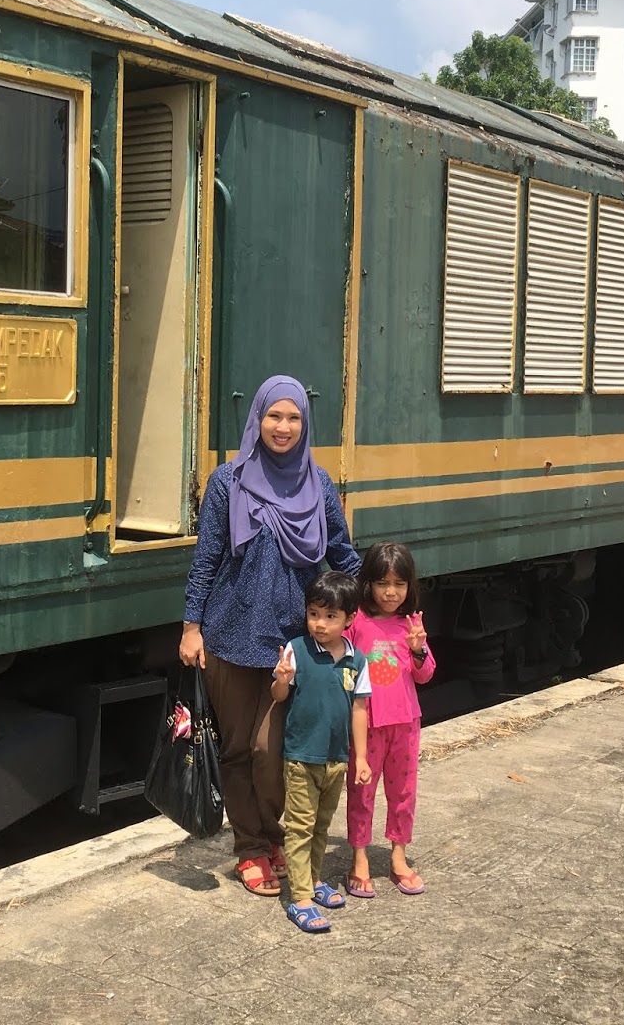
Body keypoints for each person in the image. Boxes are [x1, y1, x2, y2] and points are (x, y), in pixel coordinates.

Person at [181, 375, 361, 897]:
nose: (282, 427)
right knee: (240, 751)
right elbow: (206, 559)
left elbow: (341, 555)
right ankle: (253, 848)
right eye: (273, 416)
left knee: (274, 751)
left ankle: (269, 833)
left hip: (295, 642)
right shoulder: (227, 481)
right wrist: (192, 627)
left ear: (305, 425)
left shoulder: (321, 484)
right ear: (257, 418)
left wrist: (388, 599)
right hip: (231, 636)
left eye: (294, 418)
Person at [270, 570, 371, 933]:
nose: (320, 623)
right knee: (299, 827)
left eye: (330, 616)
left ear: (349, 619)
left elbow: (360, 709)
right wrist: (281, 680)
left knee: (321, 825)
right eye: (314, 614)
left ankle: (312, 881)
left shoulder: (357, 661)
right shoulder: (295, 650)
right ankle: (299, 899)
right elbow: (279, 697)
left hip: (336, 758)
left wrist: (360, 758)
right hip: (301, 756)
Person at [344, 541, 435, 897]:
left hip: (405, 723)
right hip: (366, 725)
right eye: (382, 583)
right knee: (361, 791)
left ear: (410, 586)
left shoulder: (411, 625)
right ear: (367, 584)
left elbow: (426, 673)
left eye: (399, 584)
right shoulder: (357, 624)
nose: (391, 592)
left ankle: (399, 855)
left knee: (403, 792)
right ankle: (360, 855)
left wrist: (418, 649)